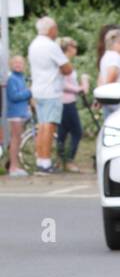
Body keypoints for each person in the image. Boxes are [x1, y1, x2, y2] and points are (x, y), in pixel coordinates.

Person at [27, 16, 74, 175]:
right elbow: (67, 68)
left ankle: (41, 160)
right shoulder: (50, 45)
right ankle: (46, 162)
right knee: (49, 125)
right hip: (51, 90)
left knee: (42, 126)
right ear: (51, 30)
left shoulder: (34, 44)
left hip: (38, 89)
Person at [56, 37, 89, 172]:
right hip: (66, 102)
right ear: (69, 48)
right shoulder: (63, 63)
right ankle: (69, 160)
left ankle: (60, 160)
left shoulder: (64, 61)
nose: (75, 50)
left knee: (62, 132)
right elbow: (62, 83)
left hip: (66, 101)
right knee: (77, 131)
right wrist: (80, 88)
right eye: (74, 47)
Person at [98, 29, 120, 122]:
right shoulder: (114, 57)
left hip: (111, 101)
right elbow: (111, 77)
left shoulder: (107, 56)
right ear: (113, 43)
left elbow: (101, 79)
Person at [4, 55, 32, 176]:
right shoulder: (12, 79)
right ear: (11, 65)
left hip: (21, 113)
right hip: (15, 113)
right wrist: (29, 92)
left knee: (17, 139)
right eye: (15, 63)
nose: (18, 65)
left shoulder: (21, 78)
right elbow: (14, 96)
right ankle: (13, 167)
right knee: (15, 140)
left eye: (20, 63)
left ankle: (15, 166)